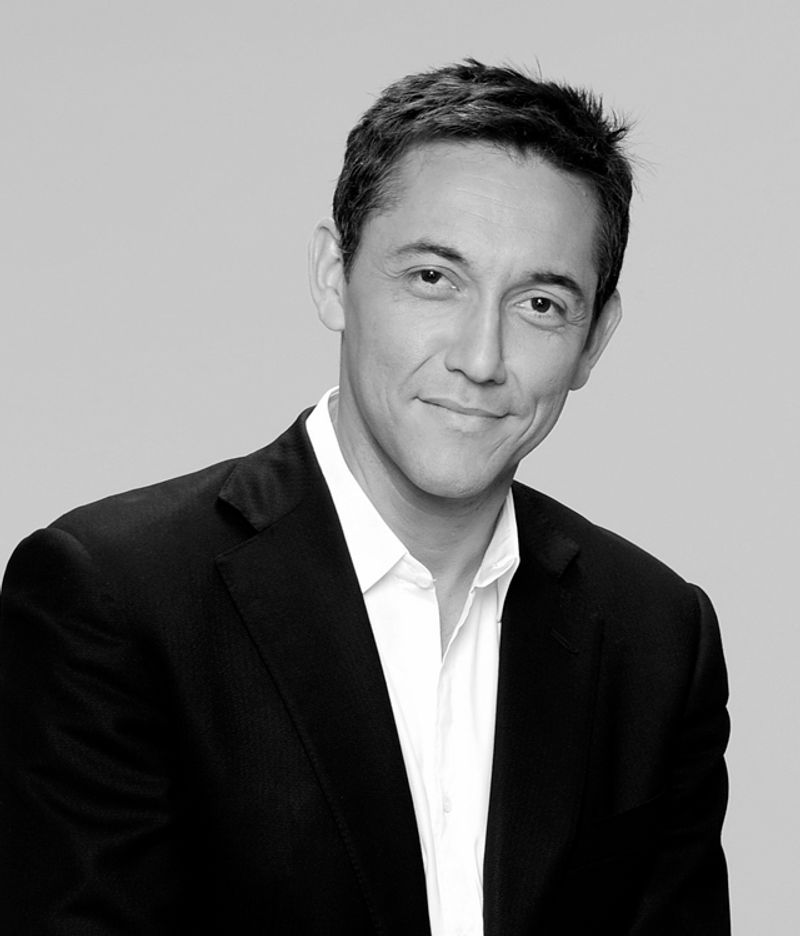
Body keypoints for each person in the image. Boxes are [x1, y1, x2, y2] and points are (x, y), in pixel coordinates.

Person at [0, 60, 729, 935]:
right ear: (332, 275)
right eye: (433, 279)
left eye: (540, 303)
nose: (481, 357)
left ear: (594, 341)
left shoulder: (657, 636)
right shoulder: (115, 598)